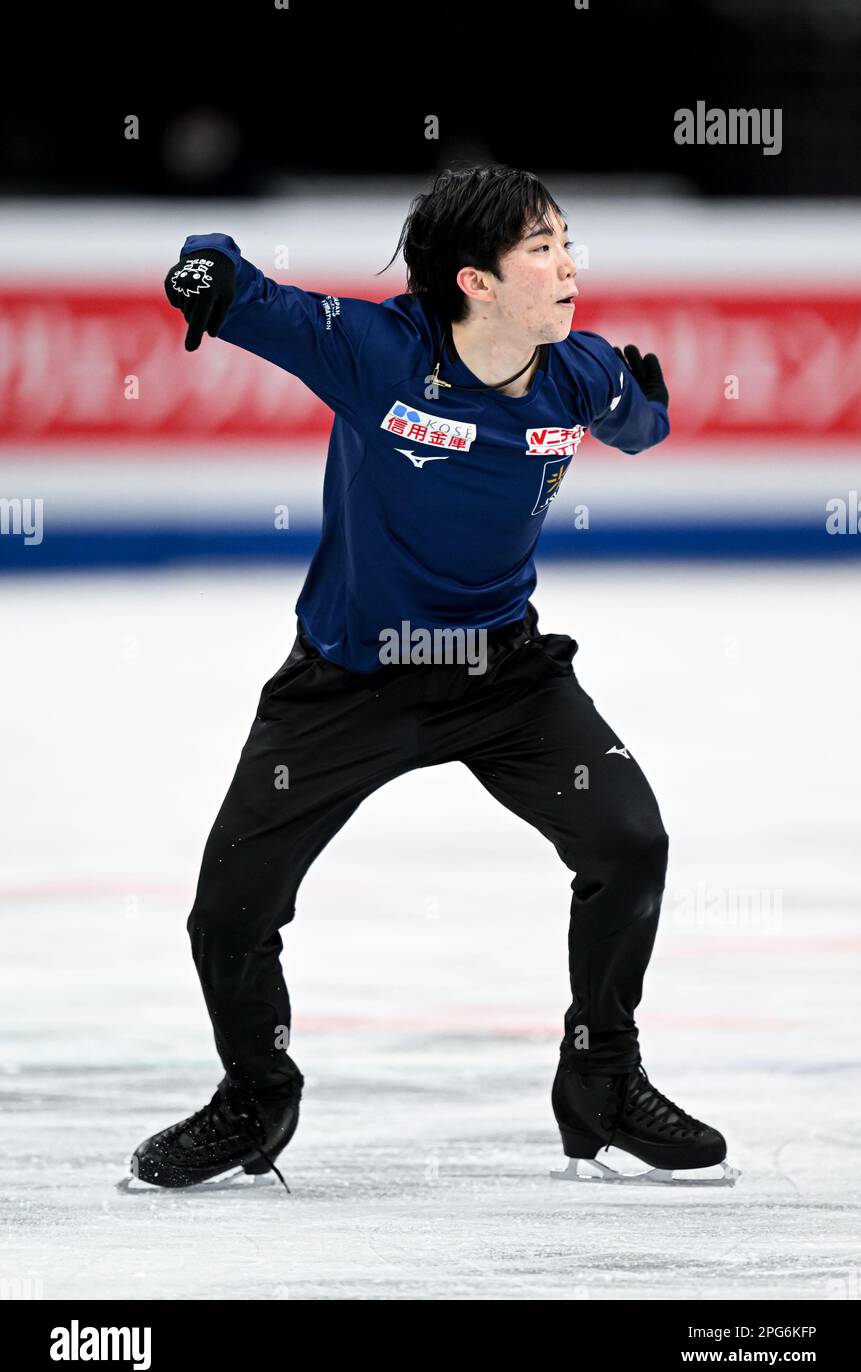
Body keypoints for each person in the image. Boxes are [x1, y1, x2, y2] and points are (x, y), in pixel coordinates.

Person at [131, 165, 735, 1191]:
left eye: (564, 240)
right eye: (539, 247)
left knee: (628, 839)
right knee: (228, 908)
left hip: (501, 673)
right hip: (345, 682)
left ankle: (598, 1078)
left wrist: (650, 406)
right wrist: (201, 272)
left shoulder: (576, 373)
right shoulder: (373, 353)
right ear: (476, 282)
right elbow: (237, 284)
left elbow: (639, 419)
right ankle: (253, 1094)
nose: (566, 264)